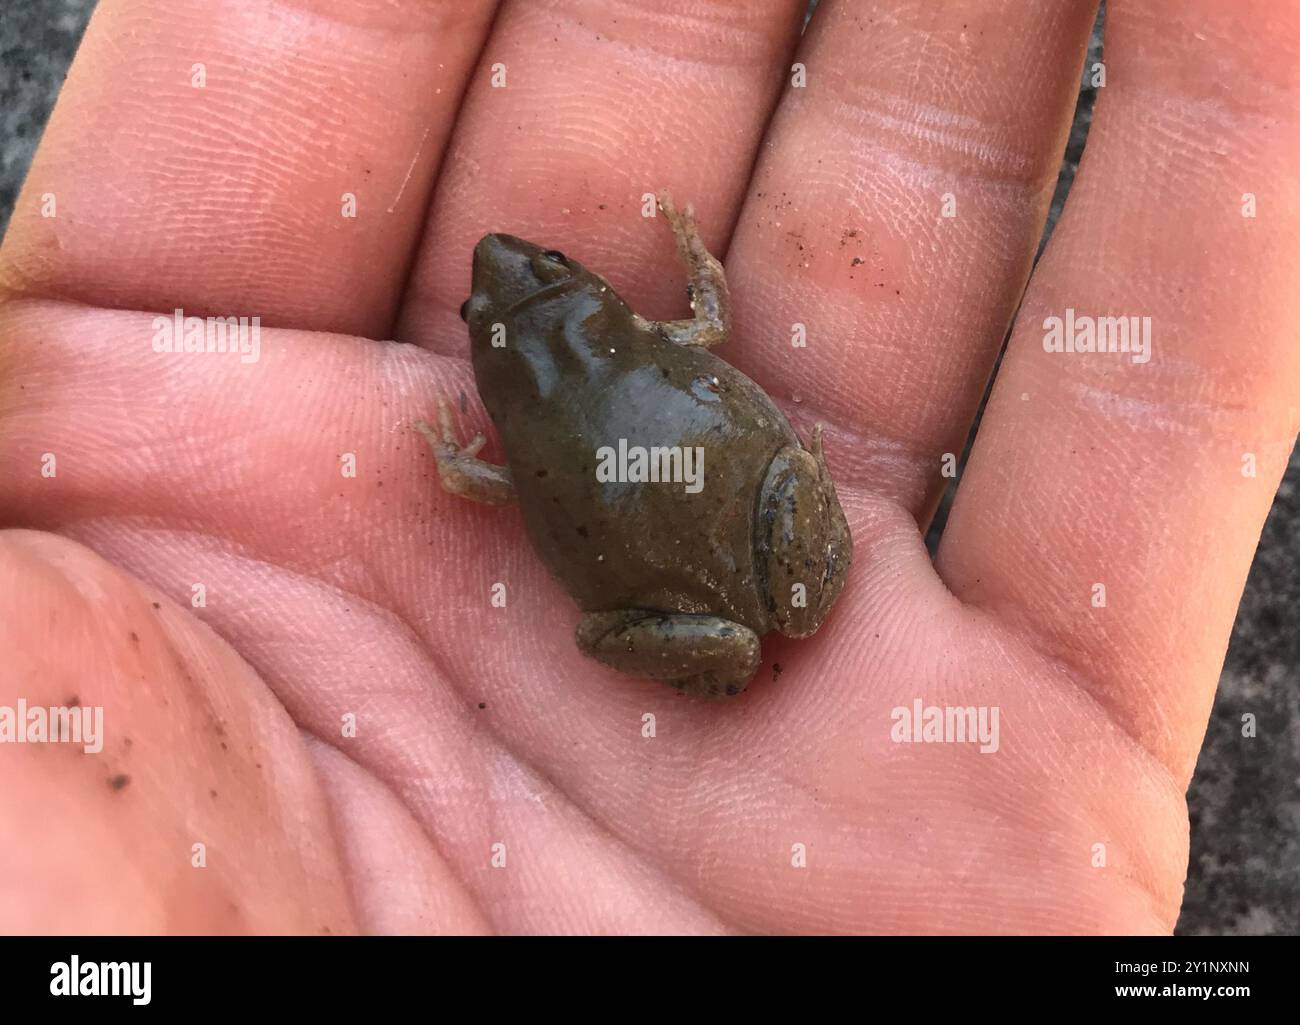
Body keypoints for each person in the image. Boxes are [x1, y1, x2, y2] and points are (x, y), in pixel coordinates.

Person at [0, 0, 1294, 934]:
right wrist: (678, 274)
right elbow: (707, 323)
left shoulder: (528, 438)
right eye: (495, 327)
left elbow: (490, 479)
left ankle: (730, 613)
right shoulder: (621, 348)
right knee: (735, 560)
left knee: (637, 614)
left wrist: (460, 451)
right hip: (755, 534)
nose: (510, 273)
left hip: (709, 562)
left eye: (536, 286)